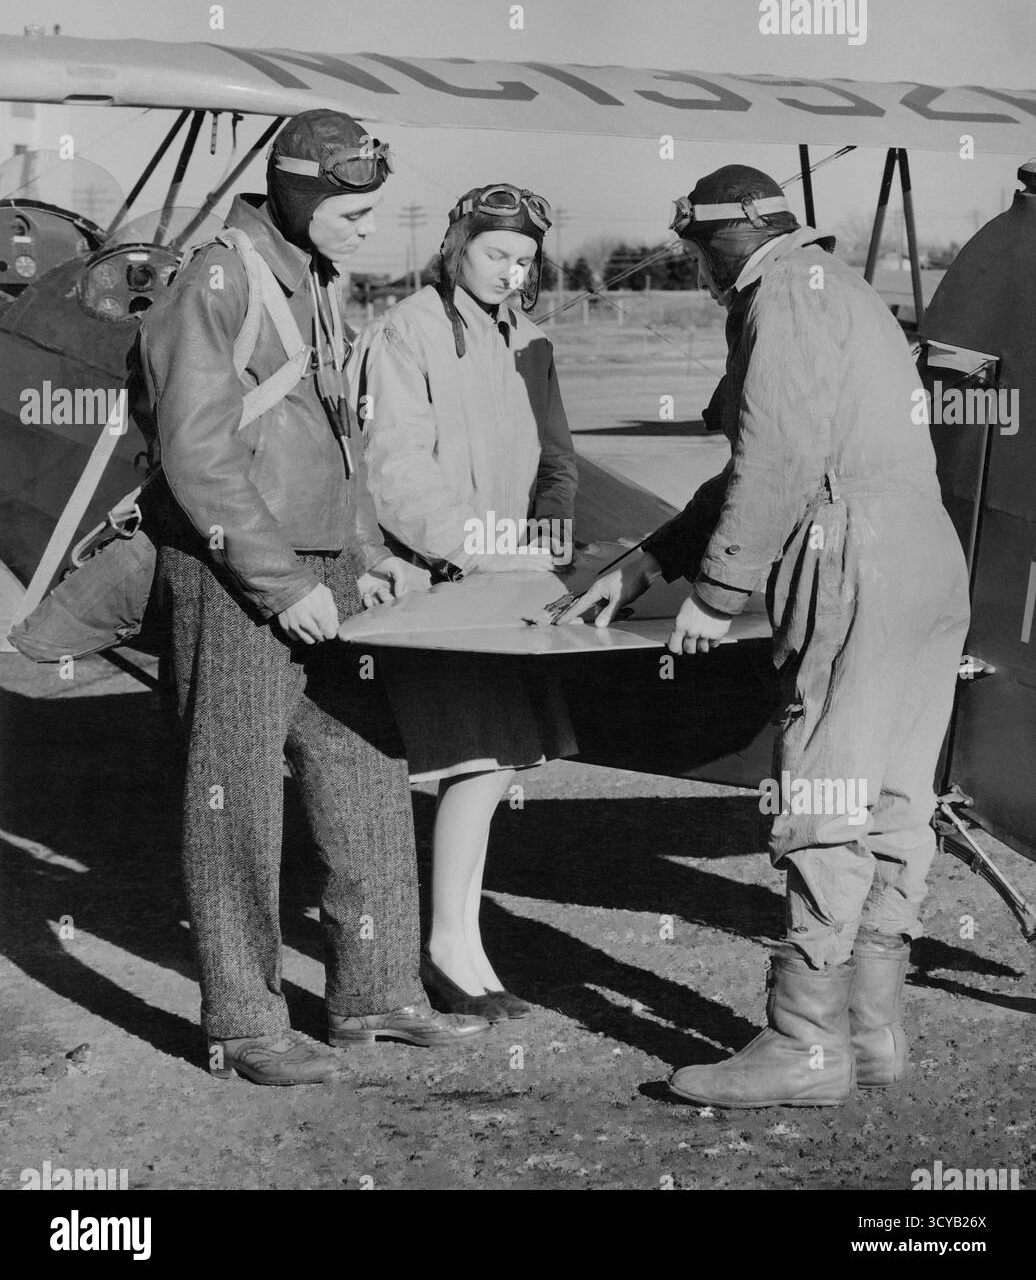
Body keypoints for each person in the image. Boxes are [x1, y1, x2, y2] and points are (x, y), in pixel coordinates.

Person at [561, 165, 970, 1108]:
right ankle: (870, 1032)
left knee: (824, 791)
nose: (702, 273)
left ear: (728, 239)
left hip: (853, 554)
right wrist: (652, 561)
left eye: (701, 253)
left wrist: (717, 591)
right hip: (924, 555)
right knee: (895, 799)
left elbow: (779, 459)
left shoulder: (779, 292)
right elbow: (765, 463)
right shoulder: (844, 291)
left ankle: (803, 1045)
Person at [138, 111, 491, 1085]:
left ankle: (376, 992)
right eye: (355, 210)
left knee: (365, 761)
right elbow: (195, 453)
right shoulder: (219, 276)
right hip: (236, 568)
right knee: (234, 790)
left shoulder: (314, 280)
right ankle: (244, 1022)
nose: (369, 228)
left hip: (324, 566)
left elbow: (340, 425)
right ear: (300, 195)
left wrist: (367, 548)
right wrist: (282, 581)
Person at [353, 184, 577, 1021]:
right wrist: (480, 551)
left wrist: (546, 549)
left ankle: (460, 940)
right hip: (443, 579)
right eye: (495, 255)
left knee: (502, 764)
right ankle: (448, 946)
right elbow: (397, 470)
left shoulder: (526, 335)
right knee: (478, 761)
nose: (511, 274)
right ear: (454, 245)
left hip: (511, 580)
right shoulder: (406, 332)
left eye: (524, 262)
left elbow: (556, 460)